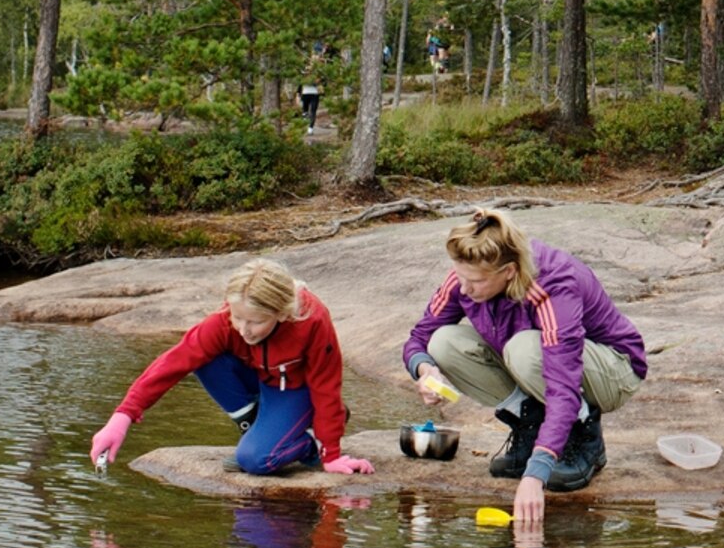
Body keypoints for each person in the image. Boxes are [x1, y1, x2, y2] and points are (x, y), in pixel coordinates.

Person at [402, 208, 646, 528]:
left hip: (615, 371)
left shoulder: (552, 285)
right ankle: (529, 424)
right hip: (547, 366)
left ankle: (585, 438)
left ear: (509, 272)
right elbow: (420, 337)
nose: (463, 289)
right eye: (459, 276)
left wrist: (535, 475)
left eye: (474, 281)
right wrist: (424, 370)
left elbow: (562, 384)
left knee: (524, 349)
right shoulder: (466, 277)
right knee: (442, 342)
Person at [88, 259, 374, 478]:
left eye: (256, 321)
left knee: (255, 460)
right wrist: (123, 415)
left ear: (281, 313)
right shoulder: (227, 320)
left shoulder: (312, 321)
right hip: (259, 378)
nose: (244, 330)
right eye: (238, 318)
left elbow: (326, 386)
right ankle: (258, 427)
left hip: (294, 389)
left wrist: (331, 453)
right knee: (202, 358)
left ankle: (308, 440)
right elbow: (172, 363)